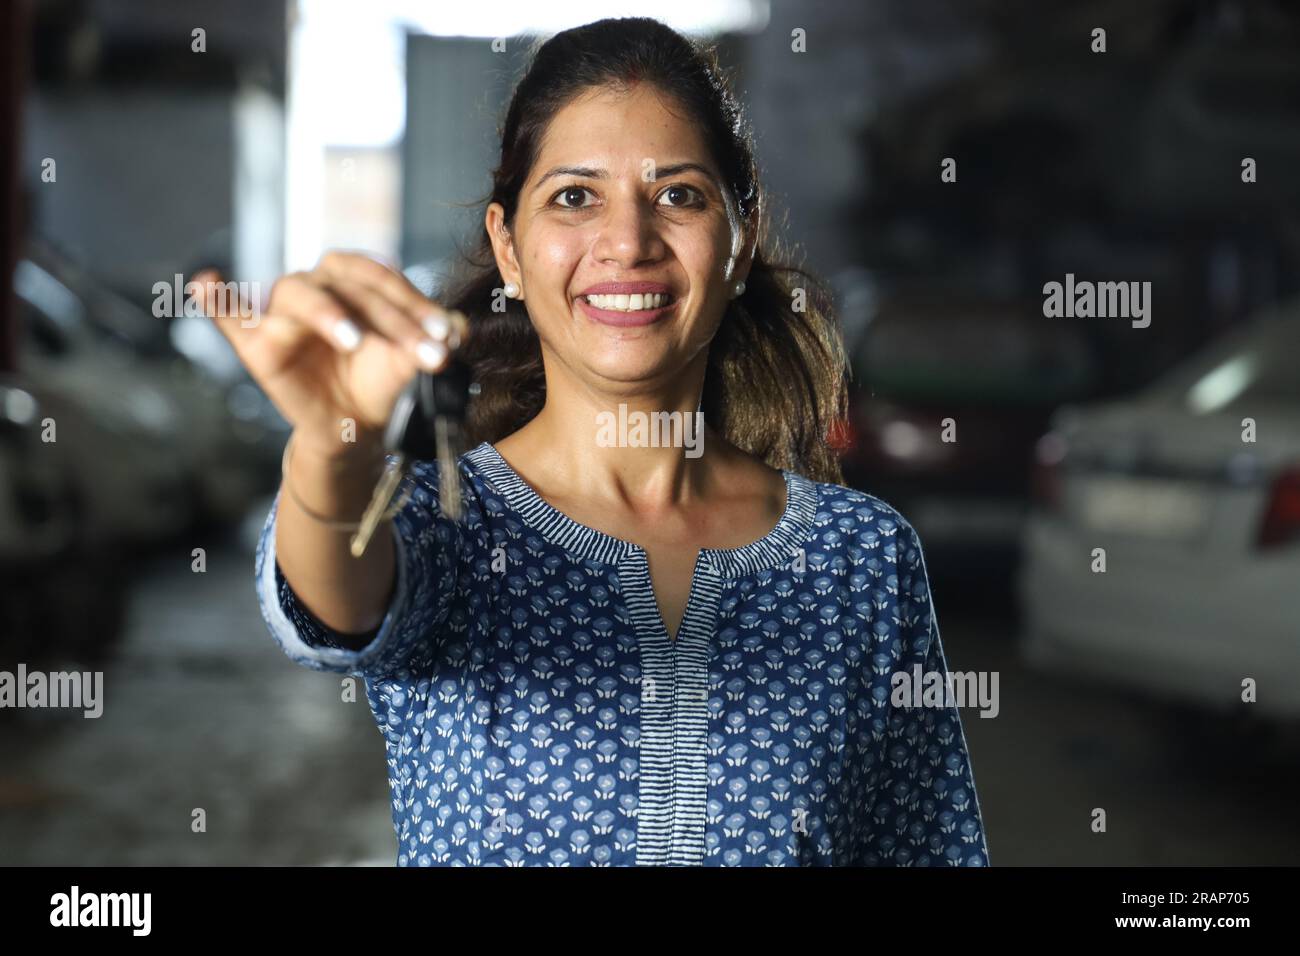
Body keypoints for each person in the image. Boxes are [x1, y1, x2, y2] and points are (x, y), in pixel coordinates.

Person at [197, 16, 989, 867]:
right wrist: (333, 441)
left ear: (741, 236)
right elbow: (334, 601)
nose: (627, 243)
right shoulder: (448, 524)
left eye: (679, 195)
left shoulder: (860, 559)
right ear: (508, 247)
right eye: (575, 197)